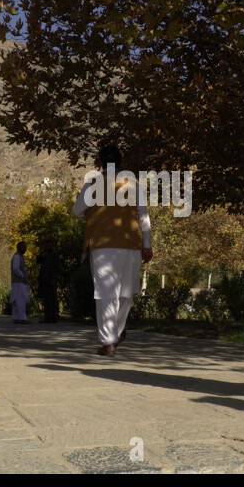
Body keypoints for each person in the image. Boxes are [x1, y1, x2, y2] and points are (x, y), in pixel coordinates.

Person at [72, 145, 153, 356]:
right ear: (121, 162)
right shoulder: (134, 183)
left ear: (99, 163)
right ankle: (116, 332)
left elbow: (77, 210)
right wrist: (147, 245)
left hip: (103, 245)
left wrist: (92, 215)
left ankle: (109, 341)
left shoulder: (94, 183)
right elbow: (143, 217)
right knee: (126, 293)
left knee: (106, 294)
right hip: (131, 244)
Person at [38, 239, 61, 323]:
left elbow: (57, 267)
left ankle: (53, 317)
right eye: (46, 245)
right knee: (46, 299)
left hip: (51, 279)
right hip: (44, 279)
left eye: (49, 245)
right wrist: (41, 252)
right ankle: (47, 316)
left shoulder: (55, 255)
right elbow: (38, 261)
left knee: (52, 299)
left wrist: (54, 279)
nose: (47, 247)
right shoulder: (45, 254)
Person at [10, 241, 31, 324]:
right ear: (19, 248)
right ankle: (22, 318)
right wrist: (22, 276)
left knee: (16, 299)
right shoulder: (17, 257)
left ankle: (16, 317)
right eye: (23, 247)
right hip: (19, 282)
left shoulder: (19, 256)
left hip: (17, 282)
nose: (25, 249)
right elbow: (15, 268)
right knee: (21, 300)